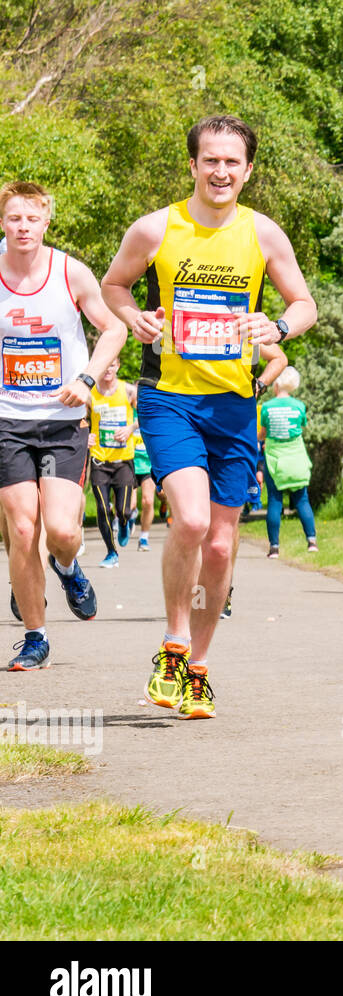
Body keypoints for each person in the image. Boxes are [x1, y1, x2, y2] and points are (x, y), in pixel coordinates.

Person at [101, 114, 313, 717]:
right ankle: (172, 643)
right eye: (210, 160)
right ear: (193, 165)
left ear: (248, 171)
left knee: (221, 544)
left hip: (233, 405)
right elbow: (115, 287)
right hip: (170, 397)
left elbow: (305, 304)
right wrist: (134, 319)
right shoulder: (155, 229)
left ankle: (196, 666)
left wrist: (274, 326)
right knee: (190, 522)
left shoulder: (263, 234)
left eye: (232, 162)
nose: (220, 171)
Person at [0, 180, 128, 670]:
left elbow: (113, 327)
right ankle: (35, 637)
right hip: (8, 420)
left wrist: (87, 378)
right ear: (3, 222)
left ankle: (68, 567)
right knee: (22, 525)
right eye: (14, 218)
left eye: (32, 218)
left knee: (60, 530)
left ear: (46, 221)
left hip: (63, 420)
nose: (23, 227)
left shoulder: (70, 272)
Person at [258, 365, 317, 557]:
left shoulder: (267, 408)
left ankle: (274, 547)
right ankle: (312, 541)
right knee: (302, 500)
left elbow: (263, 434)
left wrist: (258, 439)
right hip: (296, 457)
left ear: (275, 385)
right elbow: (301, 427)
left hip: (275, 459)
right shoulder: (299, 406)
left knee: (275, 502)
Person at [88, 357, 135, 567]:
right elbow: (80, 418)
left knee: (123, 510)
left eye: (112, 364)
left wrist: (130, 429)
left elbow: (148, 413)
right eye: (104, 363)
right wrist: (84, 435)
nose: (107, 368)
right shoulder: (90, 393)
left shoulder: (128, 390)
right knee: (102, 507)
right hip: (99, 460)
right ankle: (111, 552)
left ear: (118, 366)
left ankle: (124, 523)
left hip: (123, 460)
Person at [125, 383, 155, 550]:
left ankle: (144, 537)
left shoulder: (151, 413)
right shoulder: (127, 412)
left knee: (148, 501)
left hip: (148, 464)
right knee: (131, 505)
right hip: (130, 462)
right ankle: (129, 517)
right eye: (137, 395)